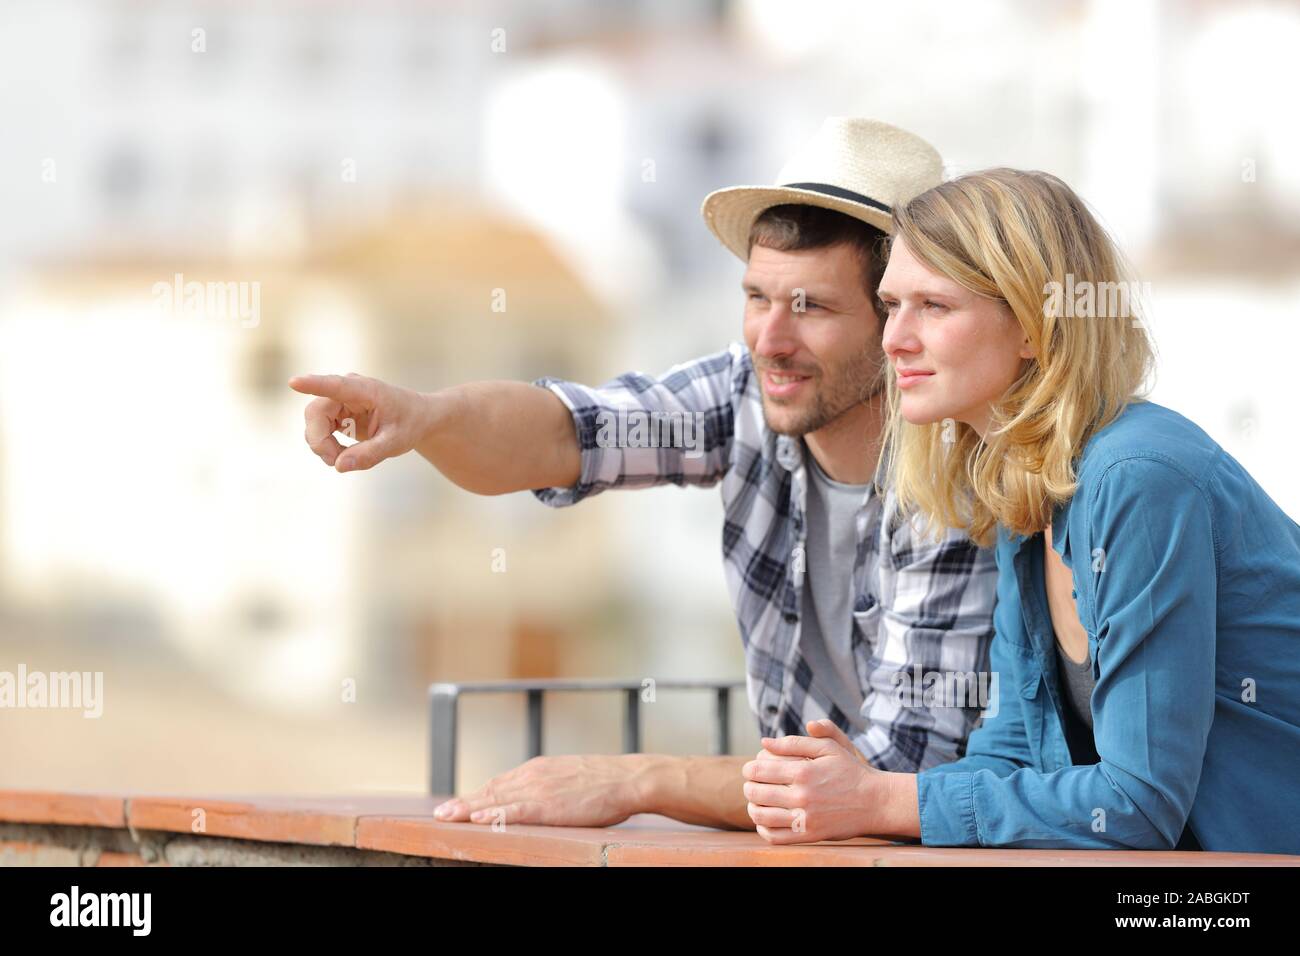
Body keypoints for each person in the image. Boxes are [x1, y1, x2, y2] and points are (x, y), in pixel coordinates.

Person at [288, 118, 999, 831]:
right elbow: (568, 431)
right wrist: (424, 417)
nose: (770, 340)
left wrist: (639, 779)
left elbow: (901, 774)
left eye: (810, 307)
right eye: (757, 298)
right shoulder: (743, 395)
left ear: (897, 319)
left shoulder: (956, 471)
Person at [742, 167, 1300, 853]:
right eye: (891, 306)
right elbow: (1012, 753)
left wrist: (882, 798)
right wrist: (864, 791)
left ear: (1036, 326)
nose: (894, 340)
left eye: (935, 307)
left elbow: (1136, 804)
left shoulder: (1137, 479)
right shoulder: (1027, 488)